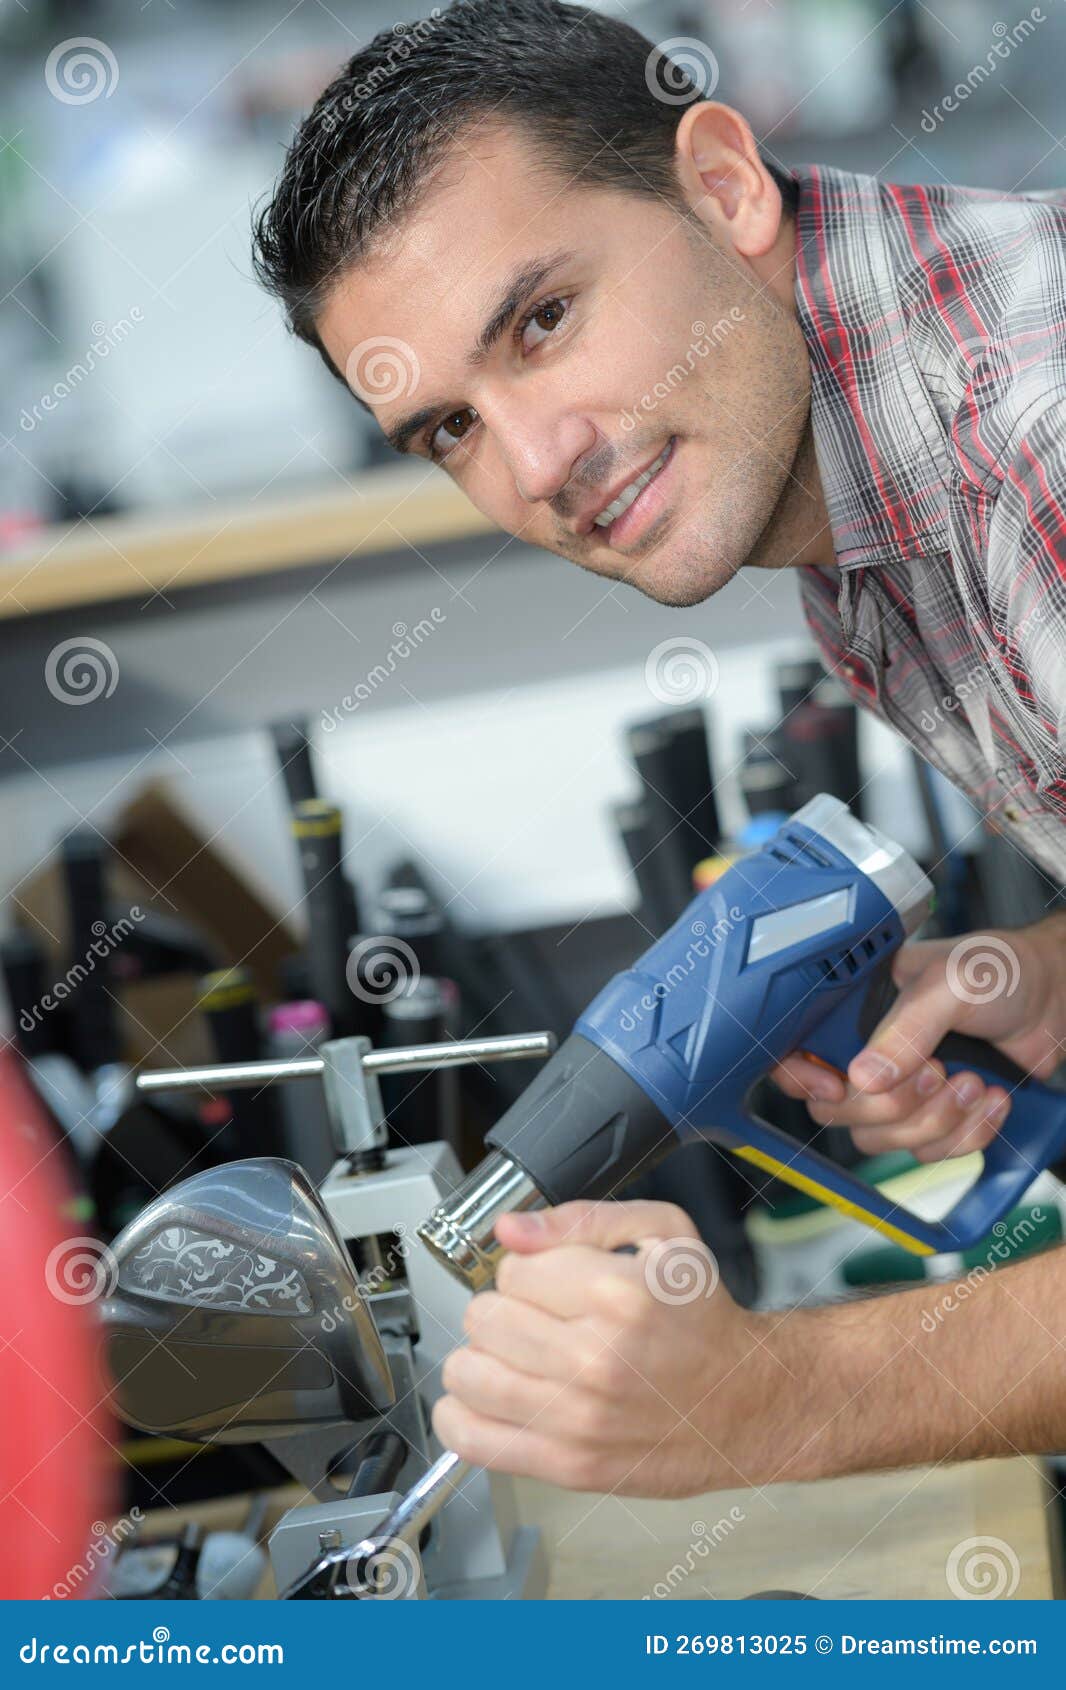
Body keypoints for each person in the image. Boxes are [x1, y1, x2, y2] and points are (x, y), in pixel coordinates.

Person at [253, 0, 1066, 1494]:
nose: (538, 464)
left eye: (542, 319)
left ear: (722, 186)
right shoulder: (859, 509)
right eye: (448, 428)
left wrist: (788, 1398)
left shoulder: (1036, 450)